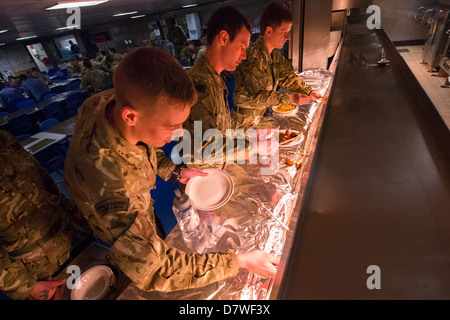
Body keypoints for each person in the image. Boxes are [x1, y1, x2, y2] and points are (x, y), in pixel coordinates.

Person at [64, 47, 279, 293]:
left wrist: (175, 171)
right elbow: (154, 267)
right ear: (130, 116)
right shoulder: (115, 188)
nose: (179, 134)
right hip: (107, 210)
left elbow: (138, 143)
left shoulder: (106, 101)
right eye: (171, 126)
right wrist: (239, 261)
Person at [0, 130, 93, 300]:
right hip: (38, 267)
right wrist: (24, 286)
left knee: (104, 285)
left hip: (71, 234)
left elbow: (41, 177)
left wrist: (72, 209)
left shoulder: (3, 139)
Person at [182, 6, 275, 167]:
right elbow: (202, 147)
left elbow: (222, 127)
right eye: (242, 47)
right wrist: (254, 147)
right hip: (203, 181)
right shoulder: (199, 83)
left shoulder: (213, 78)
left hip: (216, 171)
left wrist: (250, 134)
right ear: (224, 38)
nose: (244, 55)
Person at [233, 2, 323, 128]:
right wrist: (291, 98)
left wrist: (309, 91)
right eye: (283, 32)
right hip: (244, 123)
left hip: (261, 117)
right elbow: (259, 95)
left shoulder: (274, 54)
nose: (287, 37)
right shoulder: (252, 56)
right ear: (269, 31)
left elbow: (287, 77)